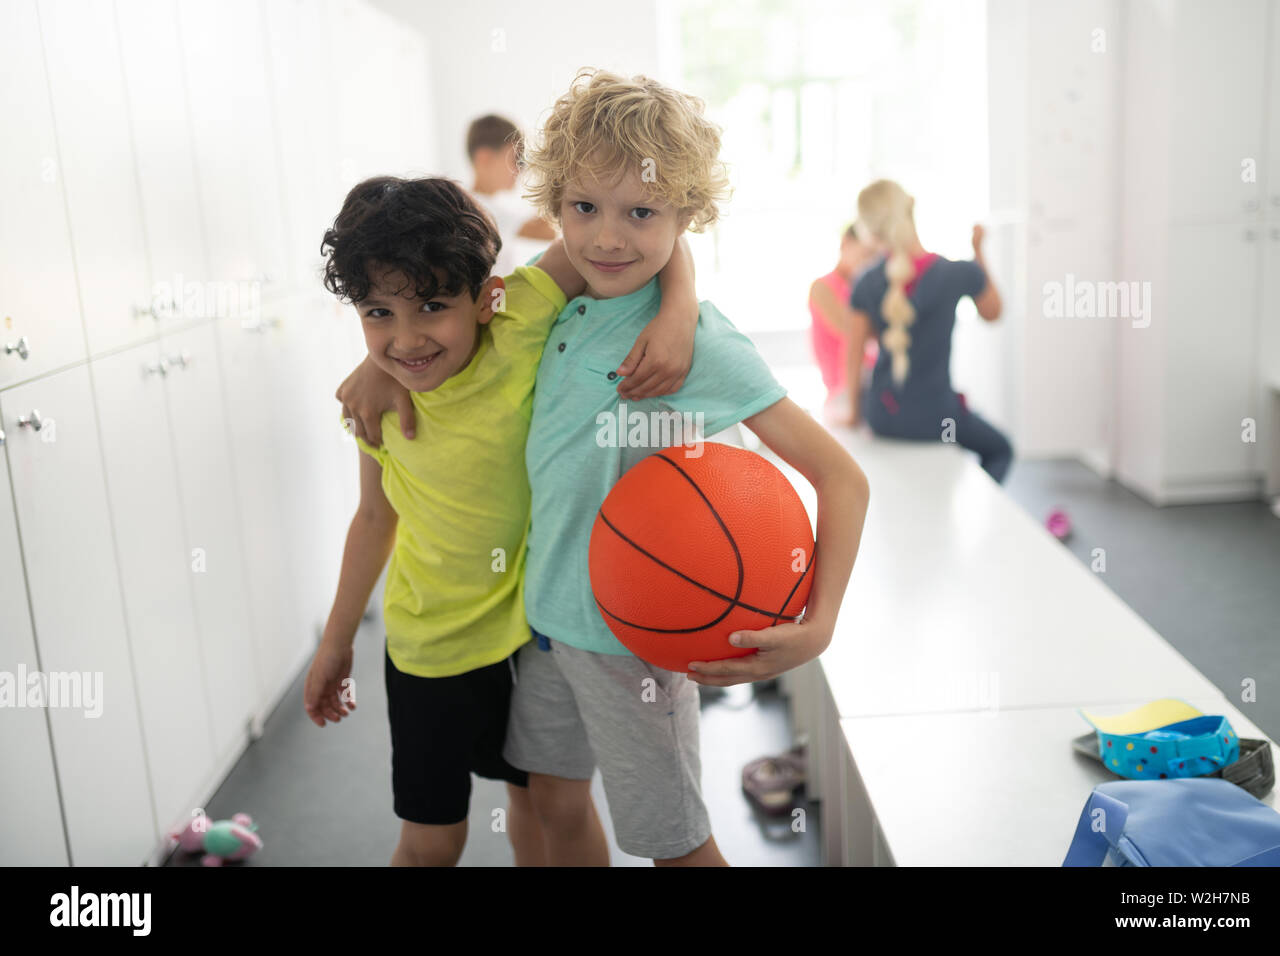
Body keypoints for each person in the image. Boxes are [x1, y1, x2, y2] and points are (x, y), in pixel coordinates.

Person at [335, 68, 871, 867]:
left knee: (674, 844)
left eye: (642, 213)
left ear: (685, 216)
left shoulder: (699, 344)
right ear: (556, 205)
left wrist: (820, 623)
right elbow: (420, 316)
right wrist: (377, 362)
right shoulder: (545, 306)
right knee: (551, 800)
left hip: (638, 642)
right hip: (546, 627)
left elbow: (842, 477)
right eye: (583, 208)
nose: (608, 238)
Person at [303, 174, 700, 867]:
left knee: (546, 808)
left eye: (431, 305)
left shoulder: (517, 322)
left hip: (531, 637)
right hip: (429, 653)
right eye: (378, 313)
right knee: (431, 841)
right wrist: (336, 643)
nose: (407, 339)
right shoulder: (375, 405)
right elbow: (373, 517)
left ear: (485, 298)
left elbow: (640, 241)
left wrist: (679, 313)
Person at [842, 179, 1014, 483]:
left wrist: (854, 415)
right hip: (939, 421)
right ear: (910, 210)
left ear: (872, 231)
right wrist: (978, 250)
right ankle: (985, 504)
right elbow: (993, 313)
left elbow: (854, 356)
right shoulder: (958, 273)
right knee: (1001, 449)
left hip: (882, 417)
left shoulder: (864, 281)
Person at [808, 223, 883, 420]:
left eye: (874, 255)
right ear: (845, 244)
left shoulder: (865, 289)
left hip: (871, 378)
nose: (870, 261)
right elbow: (853, 331)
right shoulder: (822, 287)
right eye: (866, 253)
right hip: (845, 388)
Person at [467, 114, 556, 274]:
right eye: (516, 158)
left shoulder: (473, 203)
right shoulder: (480, 209)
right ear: (484, 158)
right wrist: (547, 167)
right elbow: (548, 231)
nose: (520, 169)